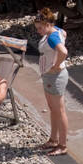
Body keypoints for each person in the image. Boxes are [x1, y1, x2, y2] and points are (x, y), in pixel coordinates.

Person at [34, 8, 69, 156]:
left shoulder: (51, 37)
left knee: (59, 110)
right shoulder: (57, 31)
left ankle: (62, 144)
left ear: (48, 24)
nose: (39, 31)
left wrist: (55, 66)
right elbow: (64, 34)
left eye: (40, 28)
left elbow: (63, 51)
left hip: (55, 77)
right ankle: (54, 139)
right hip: (51, 76)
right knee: (53, 109)